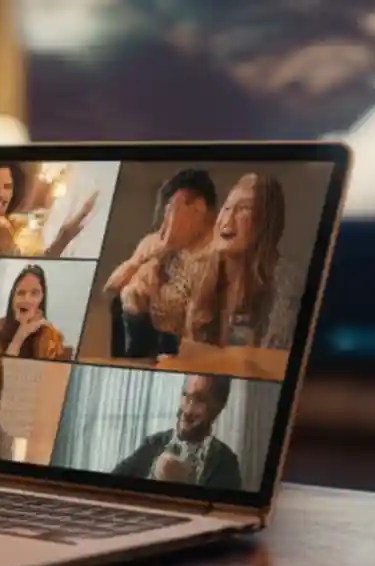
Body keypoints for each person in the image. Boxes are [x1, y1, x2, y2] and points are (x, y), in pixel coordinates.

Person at [103, 168, 219, 358]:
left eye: (173, 208)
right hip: (145, 335)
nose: (166, 218)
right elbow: (110, 287)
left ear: (198, 208)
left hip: (190, 344)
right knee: (126, 294)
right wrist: (146, 258)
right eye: (166, 209)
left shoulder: (218, 252)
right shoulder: (154, 243)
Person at [187, 172, 294, 349]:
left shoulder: (285, 283)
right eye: (227, 208)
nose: (227, 220)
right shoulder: (196, 272)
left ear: (266, 222)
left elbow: (273, 363)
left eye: (244, 208)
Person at [112, 374, 242, 489]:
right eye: (185, 395)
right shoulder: (154, 443)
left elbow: (225, 513)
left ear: (218, 407)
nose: (187, 410)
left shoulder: (225, 463)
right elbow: (109, 485)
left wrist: (183, 486)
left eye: (200, 400)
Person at [0, 264, 69, 360]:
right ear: (12, 298)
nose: (26, 300)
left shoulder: (51, 337)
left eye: (34, 293)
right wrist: (20, 336)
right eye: (21, 293)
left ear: (42, 299)